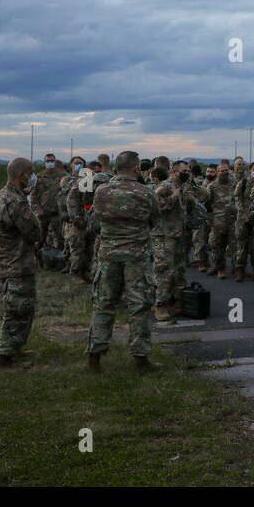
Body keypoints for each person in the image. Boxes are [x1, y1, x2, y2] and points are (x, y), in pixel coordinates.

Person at [85, 151, 159, 372]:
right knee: (139, 307)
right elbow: (154, 221)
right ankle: (140, 358)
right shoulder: (145, 193)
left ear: (116, 168)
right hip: (137, 257)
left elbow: (94, 224)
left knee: (104, 305)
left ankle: (94, 357)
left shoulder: (101, 191)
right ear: (136, 169)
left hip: (108, 255)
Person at [0, 158, 42, 367]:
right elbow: (34, 231)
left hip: (4, 261)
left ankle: (14, 348)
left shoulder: (2, 195)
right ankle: (6, 355)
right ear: (22, 175)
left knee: (17, 306)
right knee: (18, 309)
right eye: (32, 172)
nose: (33, 176)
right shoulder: (15, 202)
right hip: (16, 263)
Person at [150, 157, 186, 322]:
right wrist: (173, 198)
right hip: (164, 236)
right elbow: (154, 205)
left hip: (177, 234)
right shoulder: (165, 186)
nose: (187, 174)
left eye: (188, 172)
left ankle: (176, 302)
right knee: (164, 271)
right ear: (173, 172)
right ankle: (160, 305)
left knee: (178, 270)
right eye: (183, 172)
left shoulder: (181, 187)